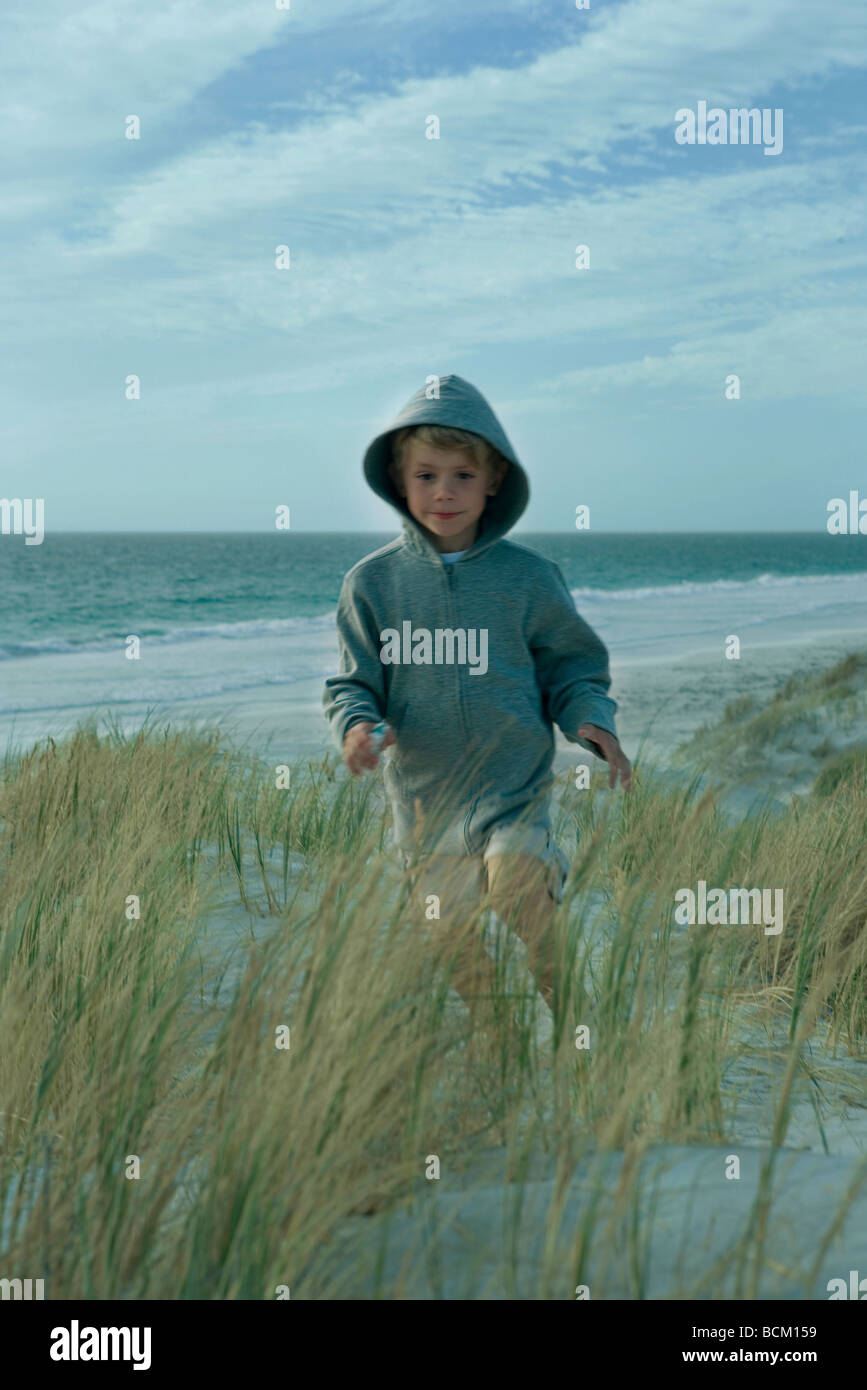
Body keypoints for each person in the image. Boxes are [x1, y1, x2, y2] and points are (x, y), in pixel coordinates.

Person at [322, 374, 631, 1044]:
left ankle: (584, 1029)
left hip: (509, 788)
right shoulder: (371, 583)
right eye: (426, 475)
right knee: (447, 936)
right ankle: (503, 1045)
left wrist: (591, 720)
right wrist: (356, 727)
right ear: (399, 482)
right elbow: (353, 683)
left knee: (517, 889)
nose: (444, 492)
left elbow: (571, 665)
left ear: (494, 479)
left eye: (463, 475)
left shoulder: (527, 577)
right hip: (424, 801)